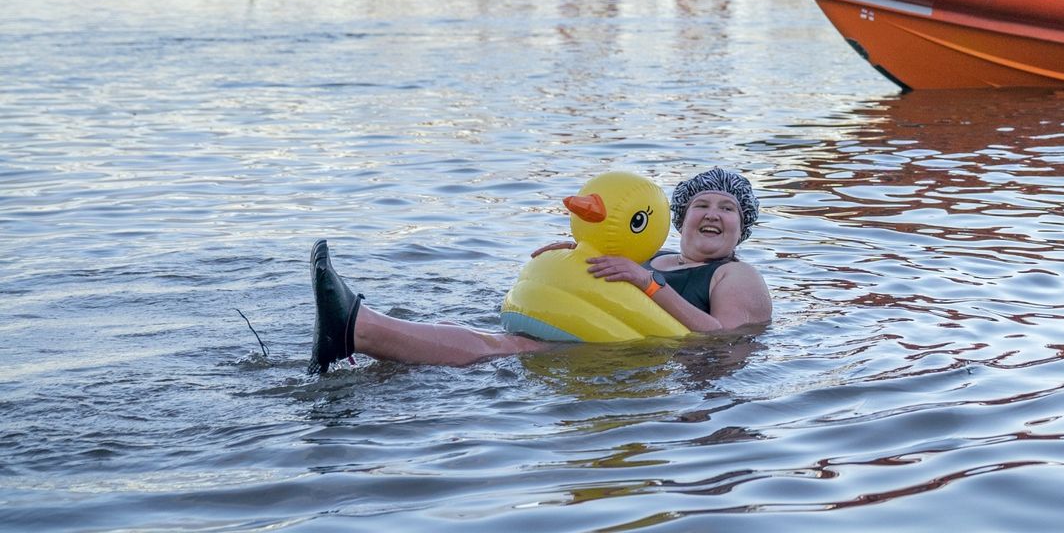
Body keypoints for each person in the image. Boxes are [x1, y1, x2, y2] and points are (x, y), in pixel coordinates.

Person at [310, 167, 773, 372]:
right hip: (604, 342)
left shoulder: (737, 276)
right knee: (501, 343)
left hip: (641, 360)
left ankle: (359, 330)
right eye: (701, 204)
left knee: (506, 348)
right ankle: (363, 338)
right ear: (681, 216)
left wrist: (648, 285)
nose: (712, 213)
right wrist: (576, 254)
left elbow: (722, 339)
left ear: (743, 225)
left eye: (727, 208)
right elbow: (613, 291)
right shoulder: (653, 260)